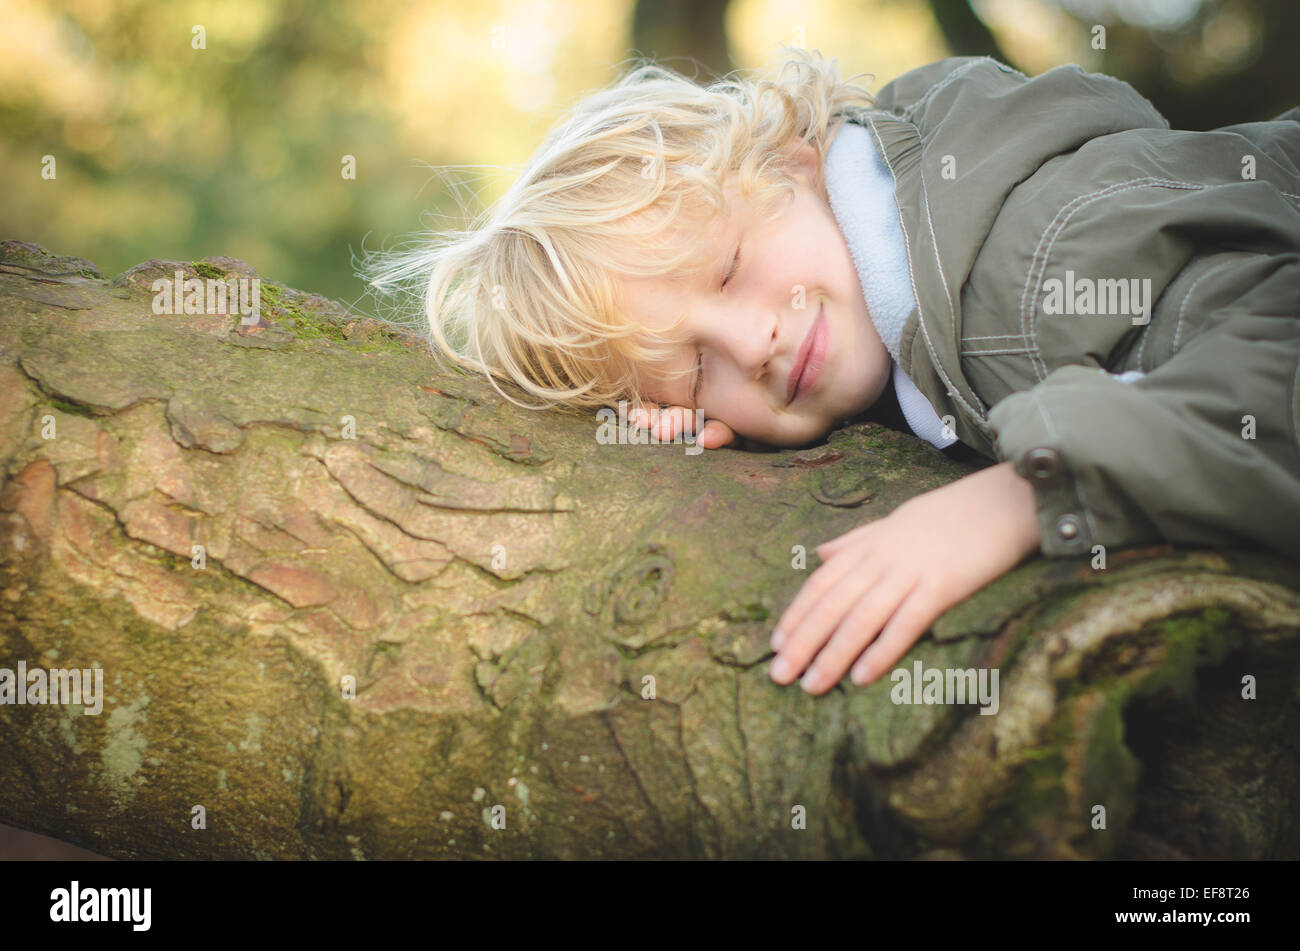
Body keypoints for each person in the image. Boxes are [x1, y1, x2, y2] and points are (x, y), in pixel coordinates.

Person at [361, 48, 1300, 697]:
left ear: (791, 161)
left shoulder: (1036, 249)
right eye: (692, 374)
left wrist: (1027, 494)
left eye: (728, 268)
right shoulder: (913, 302)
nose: (754, 341)